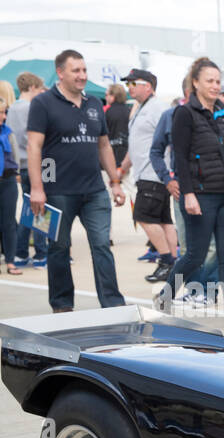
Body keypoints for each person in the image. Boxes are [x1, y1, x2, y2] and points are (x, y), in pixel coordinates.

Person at [26, 49, 127, 312]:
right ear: (60, 72)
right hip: (56, 192)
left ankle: (113, 305)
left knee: (102, 246)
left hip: (94, 191)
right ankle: (62, 306)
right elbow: (34, 147)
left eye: (84, 70)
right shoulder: (43, 103)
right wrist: (37, 188)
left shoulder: (94, 103)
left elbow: (103, 145)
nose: (82, 76)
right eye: (76, 71)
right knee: (58, 249)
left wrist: (115, 181)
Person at [161, 57, 224, 318]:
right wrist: (188, 194)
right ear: (195, 83)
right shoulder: (184, 113)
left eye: (218, 81)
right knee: (195, 255)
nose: (215, 86)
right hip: (201, 196)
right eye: (209, 81)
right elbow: (180, 157)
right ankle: (165, 297)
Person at [117, 69, 178, 283]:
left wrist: (169, 171)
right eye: (128, 84)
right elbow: (137, 145)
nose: (129, 87)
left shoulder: (158, 108)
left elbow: (171, 140)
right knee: (163, 220)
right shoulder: (142, 108)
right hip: (146, 172)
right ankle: (172, 261)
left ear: (148, 86)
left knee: (142, 216)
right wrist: (122, 168)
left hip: (154, 173)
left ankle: (166, 261)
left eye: (133, 83)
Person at [10, 72, 48, 269]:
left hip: (20, 165)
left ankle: (21, 253)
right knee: (41, 211)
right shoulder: (31, 108)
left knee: (27, 210)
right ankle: (42, 254)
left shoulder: (12, 108)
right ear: (33, 87)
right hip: (36, 164)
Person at [0, 101, 19, 274]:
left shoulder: (8, 133)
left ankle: (11, 261)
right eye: (0, 113)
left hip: (8, 181)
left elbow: (15, 155)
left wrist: (16, 172)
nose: (4, 116)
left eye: (4, 112)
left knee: (9, 222)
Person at [105, 83, 130, 168]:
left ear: (113, 96)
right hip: (128, 158)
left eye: (106, 95)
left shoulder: (108, 112)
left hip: (111, 157)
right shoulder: (130, 111)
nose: (105, 97)